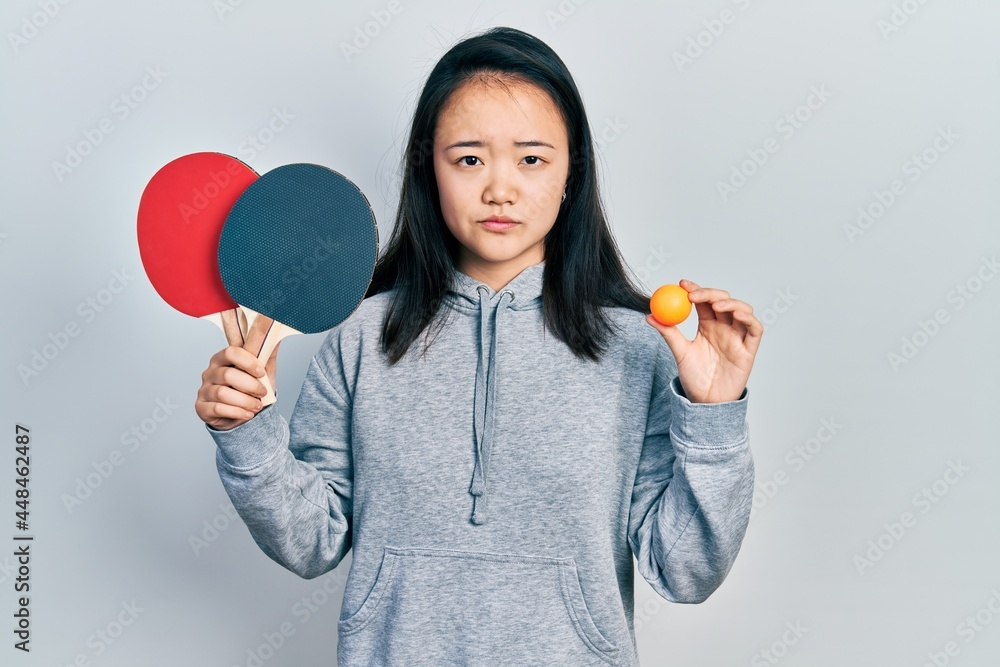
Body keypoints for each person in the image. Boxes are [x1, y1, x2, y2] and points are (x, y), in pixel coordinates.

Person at [196, 26, 762, 667]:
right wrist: (249, 436)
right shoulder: (360, 337)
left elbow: (685, 571)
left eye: (532, 158)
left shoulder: (638, 348)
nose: (500, 188)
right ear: (426, 168)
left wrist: (714, 419)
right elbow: (310, 542)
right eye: (468, 158)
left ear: (571, 169)